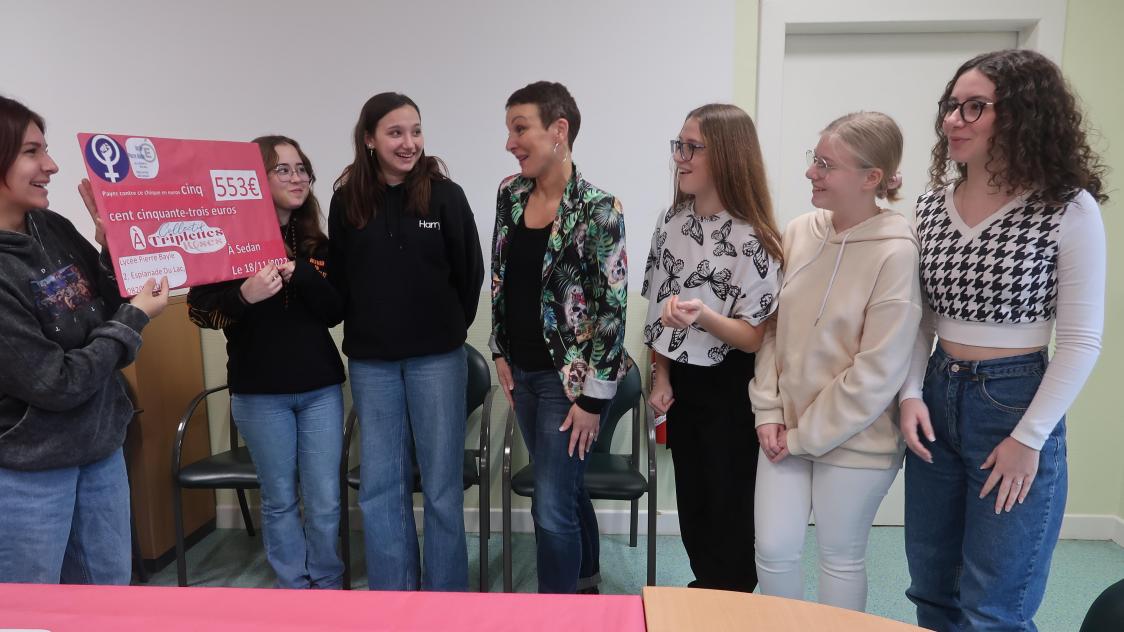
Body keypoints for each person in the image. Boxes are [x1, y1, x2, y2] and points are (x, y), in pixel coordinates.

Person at [899, 49, 1107, 631]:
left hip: (1015, 402)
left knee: (994, 606)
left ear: (1021, 116)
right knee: (932, 591)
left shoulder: (1065, 207)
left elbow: (1082, 341)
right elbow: (921, 318)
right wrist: (910, 393)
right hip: (938, 395)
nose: (952, 121)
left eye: (974, 108)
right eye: (950, 106)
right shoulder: (930, 207)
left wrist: (1029, 438)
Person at [749, 111, 920, 611]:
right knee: (774, 550)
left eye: (826, 164)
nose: (811, 173)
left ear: (871, 178)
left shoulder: (896, 251)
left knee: (839, 557)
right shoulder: (802, 230)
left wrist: (805, 436)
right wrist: (770, 412)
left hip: (856, 439)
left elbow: (878, 371)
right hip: (782, 430)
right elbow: (772, 328)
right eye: (814, 159)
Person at [0, 95, 168, 583]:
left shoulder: (49, 226)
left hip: (99, 452)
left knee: (107, 598)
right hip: (28, 471)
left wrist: (115, 252)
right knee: (31, 612)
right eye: (32, 152)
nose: (50, 166)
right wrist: (133, 320)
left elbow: (106, 310)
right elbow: (56, 383)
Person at [329, 92, 484, 591]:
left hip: (437, 360)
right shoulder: (347, 199)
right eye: (396, 133)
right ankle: (393, 600)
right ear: (370, 139)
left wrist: (447, 330)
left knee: (440, 486)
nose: (409, 142)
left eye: (415, 131)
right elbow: (341, 279)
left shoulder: (445, 195)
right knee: (380, 487)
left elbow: (470, 273)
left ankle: (445, 600)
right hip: (373, 363)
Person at [187, 135, 345, 589]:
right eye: (284, 169)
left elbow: (335, 310)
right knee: (278, 498)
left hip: (319, 388)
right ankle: (293, 587)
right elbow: (200, 312)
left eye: (302, 169)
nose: (297, 178)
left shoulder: (316, 242)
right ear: (256, 177)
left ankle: (328, 582)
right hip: (259, 393)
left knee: (324, 499)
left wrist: (302, 272)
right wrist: (244, 295)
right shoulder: (222, 239)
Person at [490, 81, 630, 594]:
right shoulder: (510, 194)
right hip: (521, 374)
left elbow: (613, 309)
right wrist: (500, 350)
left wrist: (593, 400)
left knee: (550, 507)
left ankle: (556, 613)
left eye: (520, 128)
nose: (511, 142)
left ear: (559, 130)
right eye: (509, 130)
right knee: (565, 492)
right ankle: (586, 583)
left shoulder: (599, 208)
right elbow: (500, 277)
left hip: (568, 384)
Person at [642, 103, 782, 593]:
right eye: (678, 145)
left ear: (725, 155)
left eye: (692, 147)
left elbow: (753, 335)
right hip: (682, 381)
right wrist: (659, 376)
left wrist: (703, 315)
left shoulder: (753, 238)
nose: (680, 157)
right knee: (693, 505)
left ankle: (731, 601)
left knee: (728, 509)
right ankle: (710, 589)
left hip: (729, 388)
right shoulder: (671, 222)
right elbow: (657, 307)